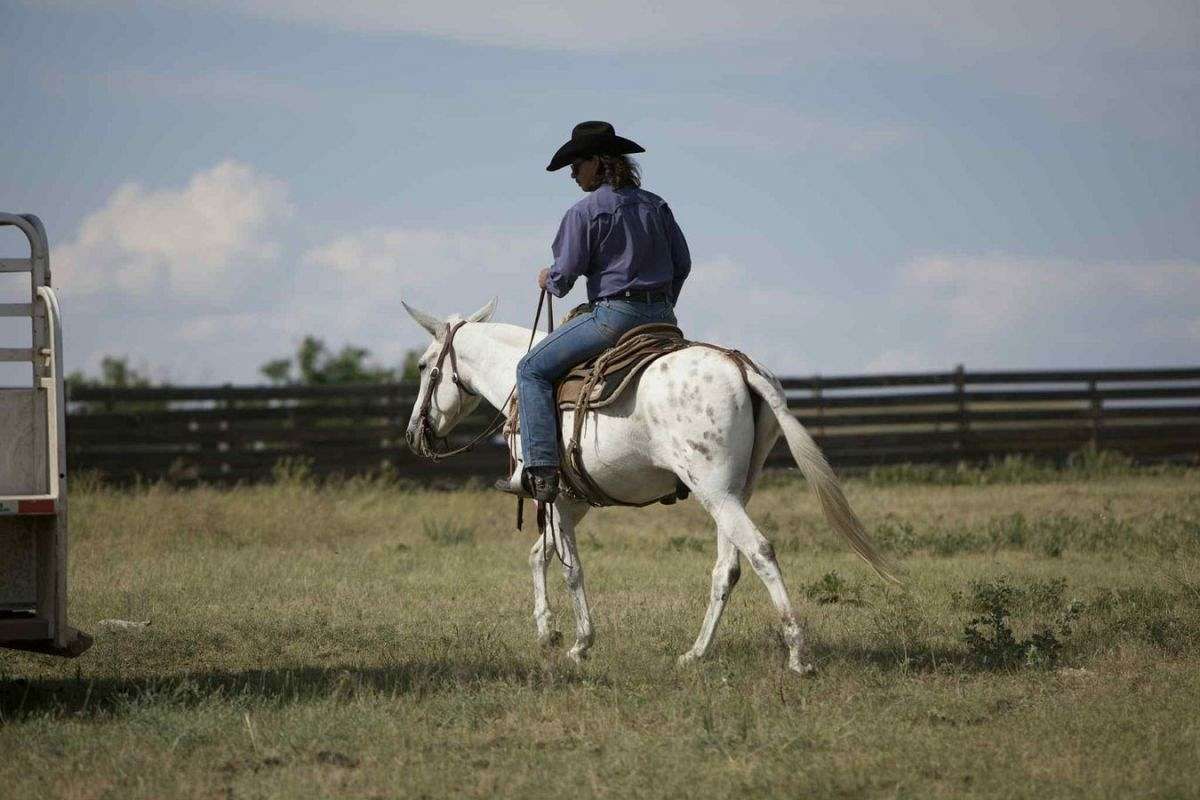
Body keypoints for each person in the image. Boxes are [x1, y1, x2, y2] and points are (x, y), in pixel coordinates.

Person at [496, 121, 692, 503]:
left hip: (613, 318)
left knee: (530, 369)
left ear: (599, 162)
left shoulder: (584, 213)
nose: (572, 173)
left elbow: (565, 276)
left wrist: (547, 279)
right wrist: (663, 304)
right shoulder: (657, 205)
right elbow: (682, 264)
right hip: (664, 320)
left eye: (577, 164)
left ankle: (541, 471)